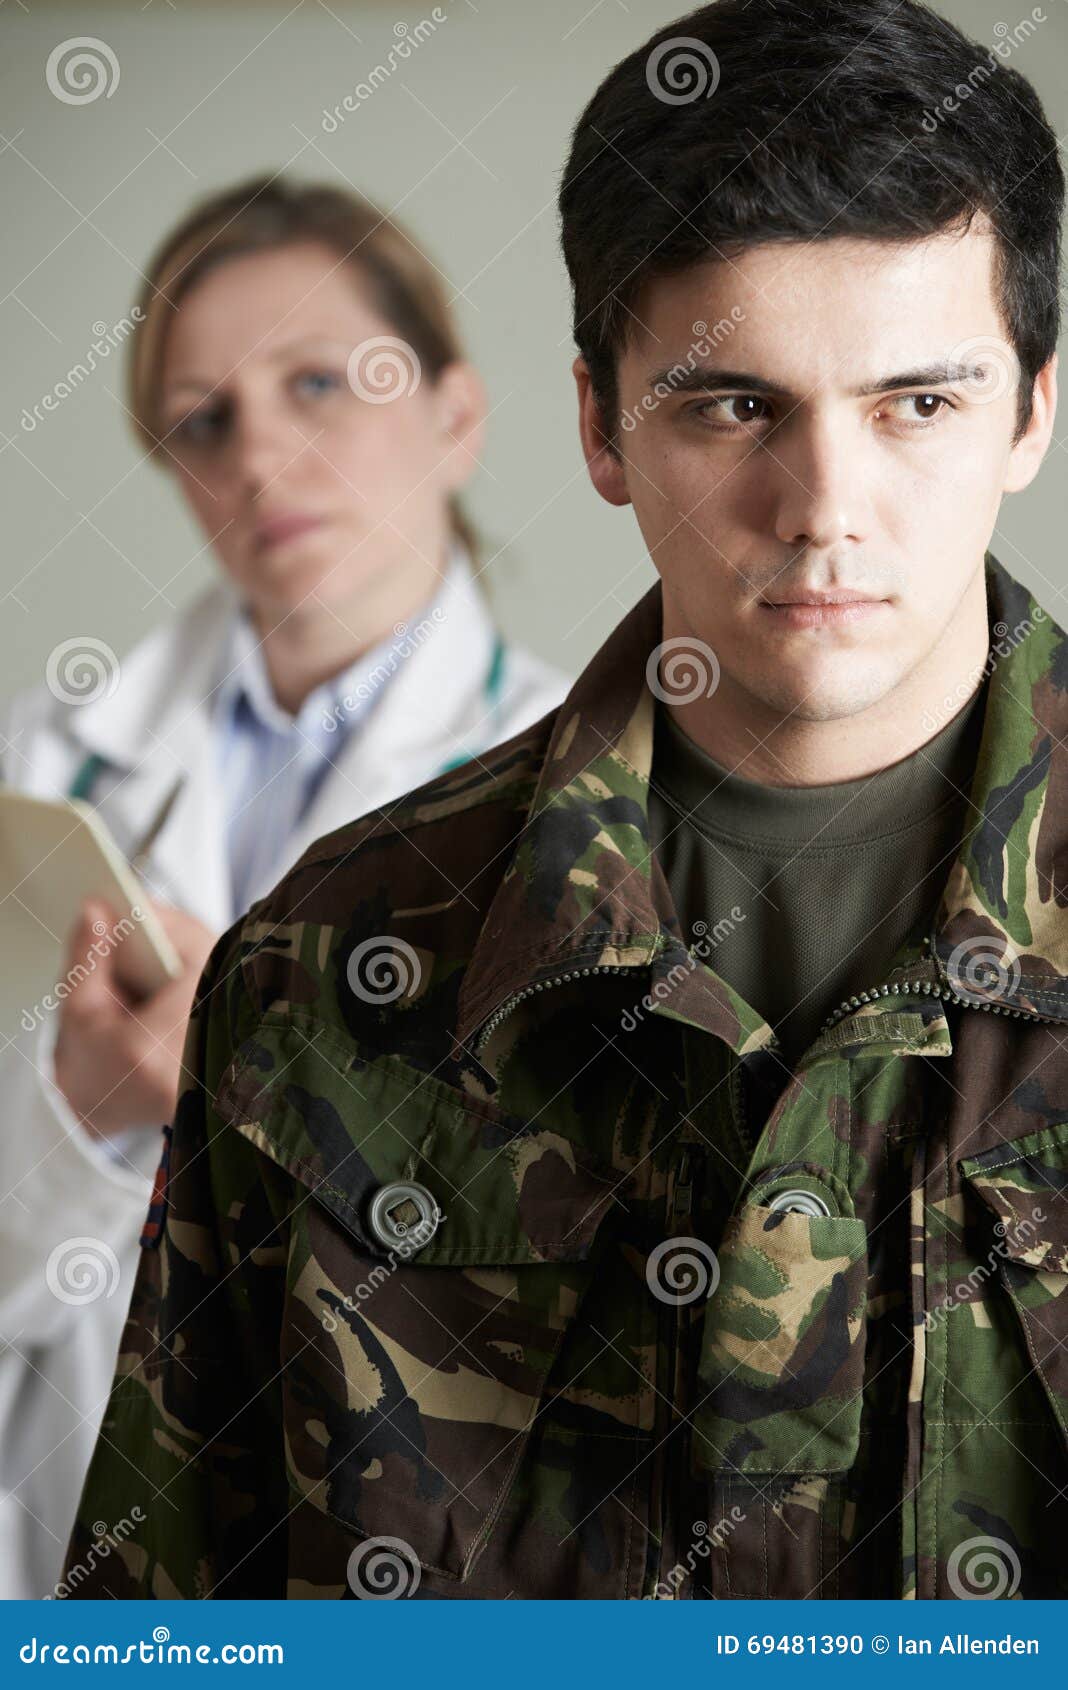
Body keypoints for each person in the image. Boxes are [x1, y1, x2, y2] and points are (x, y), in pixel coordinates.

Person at [64, 0, 1066, 1601]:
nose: (823, 511)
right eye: (732, 403)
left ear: (1032, 408)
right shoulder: (318, 968)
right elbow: (165, 1626)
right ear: (601, 424)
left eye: (917, 404)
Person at [0, 174, 567, 1599]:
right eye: (203, 420)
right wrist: (79, 1123)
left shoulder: (598, 802)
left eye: (319, 382)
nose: (258, 454)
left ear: (456, 412)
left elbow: (594, 1288)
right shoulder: (43, 766)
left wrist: (255, 1084)